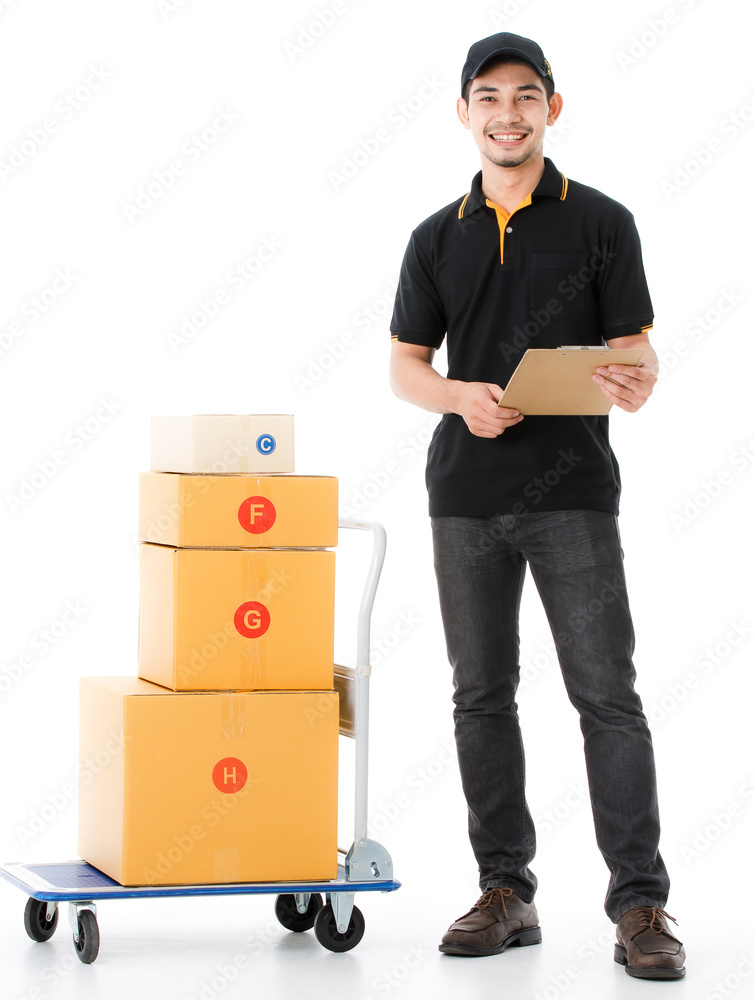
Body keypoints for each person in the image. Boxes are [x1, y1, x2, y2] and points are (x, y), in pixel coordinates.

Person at [388, 32, 685, 981]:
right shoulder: (436, 236)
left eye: (525, 97)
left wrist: (638, 379)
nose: (506, 114)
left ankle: (641, 906)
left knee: (607, 697)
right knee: (481, 698)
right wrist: (459, 397)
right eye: (488, 97)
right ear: (464, 113)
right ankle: (505, 891)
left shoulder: (603, 222)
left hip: (574, 499)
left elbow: (634, 350)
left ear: (553, 109)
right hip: (463, 501)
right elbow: (405, 367)